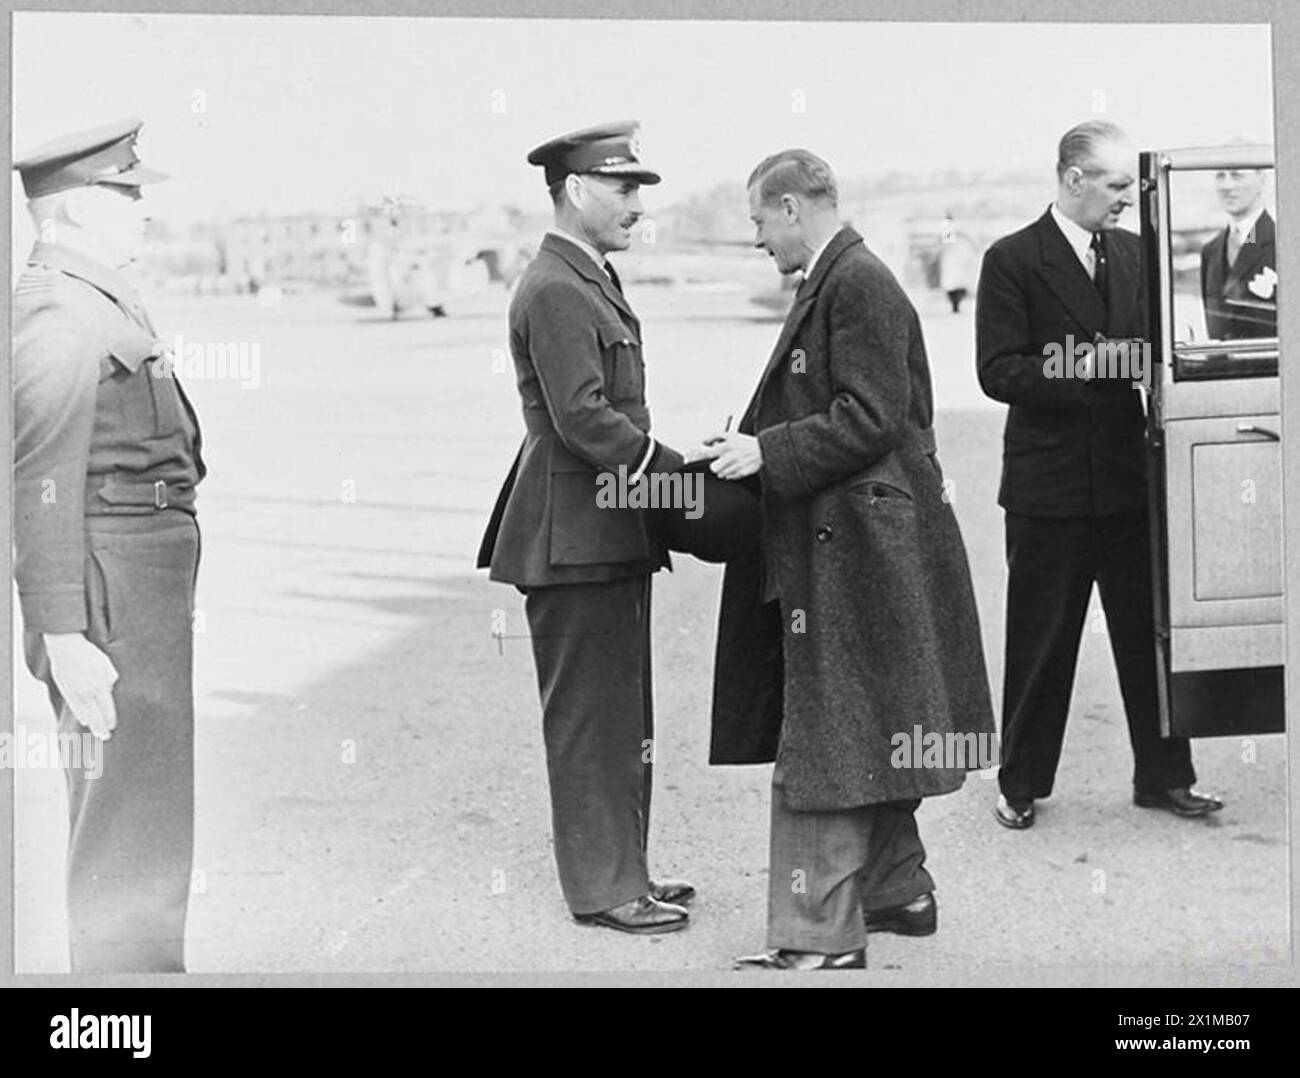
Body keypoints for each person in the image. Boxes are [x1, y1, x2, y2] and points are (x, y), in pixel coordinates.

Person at [694, 149, 995, 971]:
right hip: (866, 546)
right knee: (881, 726)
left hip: (859, 550)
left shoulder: (856, 282)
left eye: (759, 220)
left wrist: (764, 453)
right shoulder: (847, 278)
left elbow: (870, 416)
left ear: (793, 208)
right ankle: (900, 891)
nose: (757, 238)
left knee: (826, 738)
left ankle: (818, 939)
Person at [476, 122, 695, 935]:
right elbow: (585, 418)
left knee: (623, 714)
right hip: (573, 530)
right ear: (576, 190)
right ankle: (604, 887)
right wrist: (678, 473)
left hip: (603, 526)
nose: (639, 206)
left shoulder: (585, 277)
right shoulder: (557, 287)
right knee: (587, 720)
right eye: (625, 189)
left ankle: (625, 868)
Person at [975, 120, 1223, 831]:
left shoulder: (1136, 252)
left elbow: (1163, 348)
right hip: (1048, 489)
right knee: (1042, 640)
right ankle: (1019, 783)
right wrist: (1081, 366)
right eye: (1117, 185)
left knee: (1150, 635)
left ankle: (1166, 776)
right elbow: (996, 371)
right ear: (1074, 178)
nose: (1126, 198)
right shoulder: (1012, 258)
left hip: (1125, 480)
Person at [12, 119, 206, 972]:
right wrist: (62, 635)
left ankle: (139, 984)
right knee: (127, 816)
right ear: (75, 213)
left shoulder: (98, 298)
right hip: (108, 595)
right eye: (127, 195)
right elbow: (39, 479)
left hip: (138, 583)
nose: (144, 212)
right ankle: (122, 1005)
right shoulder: (57, 310)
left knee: (147, 805)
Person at [1200, 167, 1277, 340]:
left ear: (1262, 180)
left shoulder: (1284, 244)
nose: (1227, 185)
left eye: (1237, 175)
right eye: (1220, 175)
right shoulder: (1210, 251)